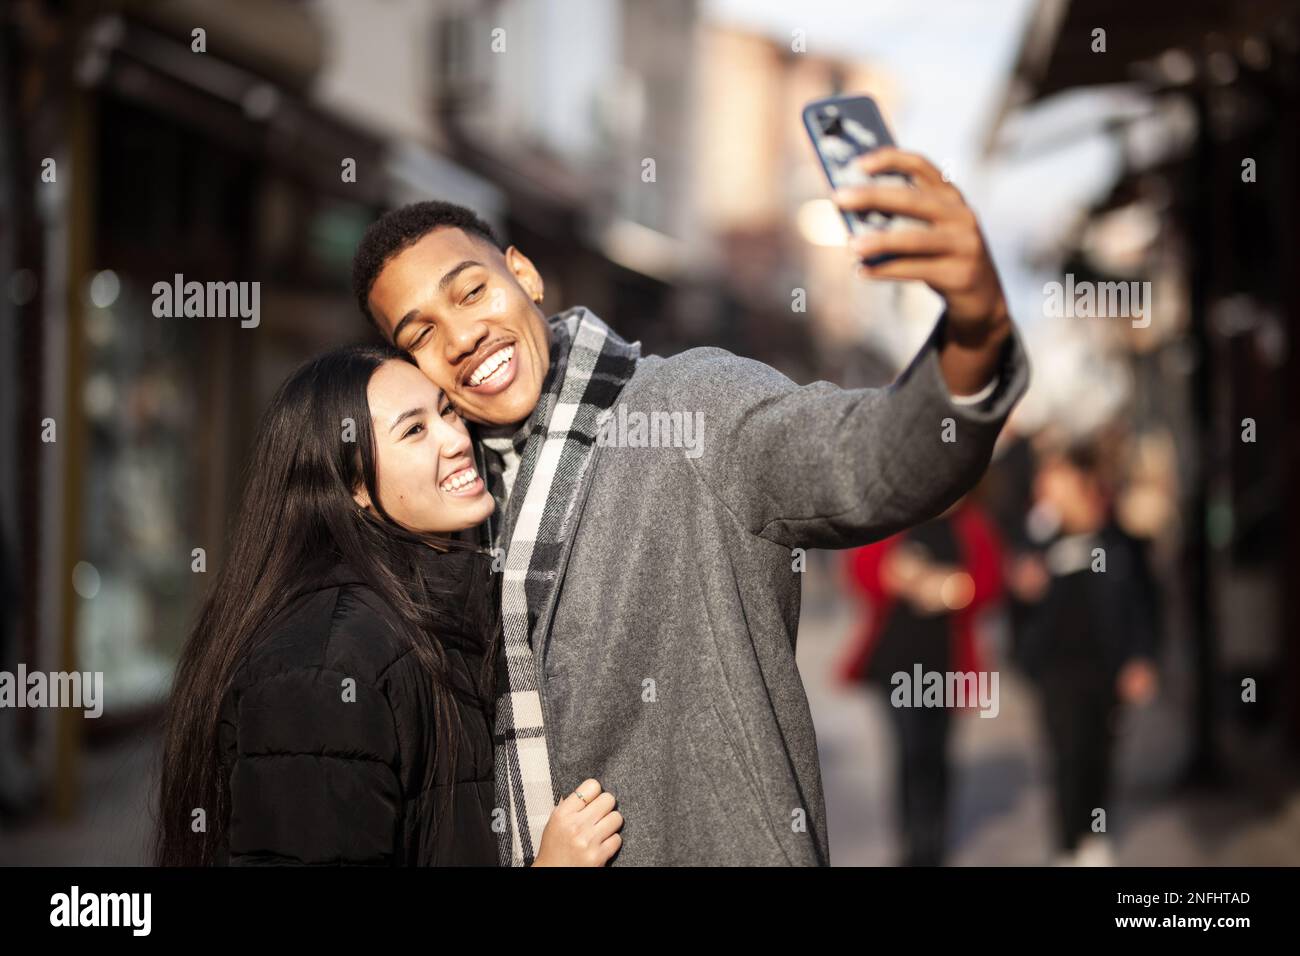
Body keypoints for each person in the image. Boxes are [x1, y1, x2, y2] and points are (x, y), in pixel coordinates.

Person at [349, 148, 1030, 865]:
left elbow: (871, 462)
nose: (460, 338)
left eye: (471, 292)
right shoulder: (453, 500)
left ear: (523, 274)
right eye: (419, 333)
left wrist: (976, 327)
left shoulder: (687, 406)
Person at [155, 345, 622, 866]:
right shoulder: (327, 663)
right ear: (352, 485)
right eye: (414, 431)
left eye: (447, 411)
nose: (456, 439)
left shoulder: (438, 611)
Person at [1009, 443, 1161, 865]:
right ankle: (1067, 844)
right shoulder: (1037, 536)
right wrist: (1022, 588)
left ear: (1081, 482)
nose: (1046, 486)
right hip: (1056, 667)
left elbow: (1143, 601)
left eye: (1056, 477)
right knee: (1066, 755)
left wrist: (1142, 657)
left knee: (1100, 752)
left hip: (1106, 664)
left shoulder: (1117, 538)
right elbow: (1015, 601)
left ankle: (1093, 836)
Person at [836, 499, 1005, 865]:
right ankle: (912, 843)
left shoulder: (972, 526)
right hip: (896, 663)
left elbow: (992, 580)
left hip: (945, 664)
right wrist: (895, 575)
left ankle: (934, 843)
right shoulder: (895, 519)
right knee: (908, 751)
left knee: (938, 753)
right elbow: (860, 572)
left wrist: (953, 589)